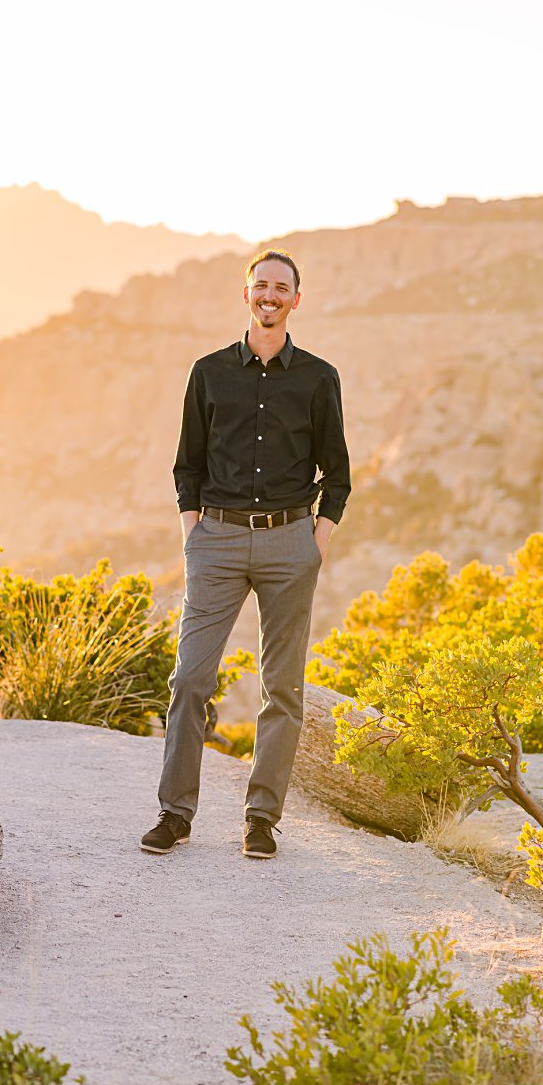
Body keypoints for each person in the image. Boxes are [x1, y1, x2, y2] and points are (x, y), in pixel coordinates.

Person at [140, 248, 350, 860]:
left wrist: (317, 542)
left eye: (281, 288)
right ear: (246, 294)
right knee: (191, 679)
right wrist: (193, 535)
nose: (270, 295)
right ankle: (175, 814)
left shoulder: (318, 377)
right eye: (261, 285)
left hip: (291, 542)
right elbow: (188, 463)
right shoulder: (207, 373)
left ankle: (262, 820)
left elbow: (336, 473)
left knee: (282, 687)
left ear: (296, 300)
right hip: (218, 539)